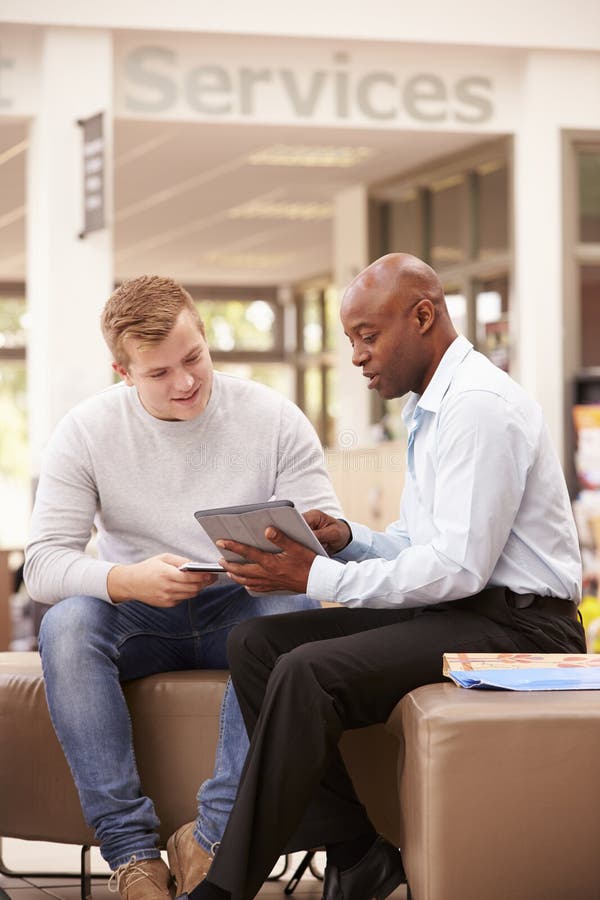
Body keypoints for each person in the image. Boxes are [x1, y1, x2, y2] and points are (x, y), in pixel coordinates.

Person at [182, 252, 586, 900]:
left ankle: (226, 887)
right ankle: (358, 853)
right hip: (466, 610)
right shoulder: (433, 409)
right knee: (254, 645)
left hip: (523, 629)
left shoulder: (478, 407)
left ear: (423, 316)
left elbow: (457, 568)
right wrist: (346, 543)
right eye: (350, 340)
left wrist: (314, 576)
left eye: (367, 336)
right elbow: (423, 546)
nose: (357, 357)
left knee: (306, 672)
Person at [23, 275, 341, 900]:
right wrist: (126, 579)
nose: (186, 382)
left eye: (193, 358)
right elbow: (43, 565)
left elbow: (326, 536)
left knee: (294, 605)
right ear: (123, 371)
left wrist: (295, 548)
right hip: (141, 613)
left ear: (203, 335)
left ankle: (212, 838)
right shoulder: (86, 432)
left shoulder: (273, 417)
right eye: (159, 373)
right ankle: (132, 852)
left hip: (243, 606)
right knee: (65, 624)